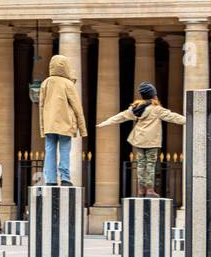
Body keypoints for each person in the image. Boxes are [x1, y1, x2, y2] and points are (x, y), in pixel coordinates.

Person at [95, 82, 185, 197]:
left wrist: (105, 123)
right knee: (150, 165)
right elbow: (173, 117)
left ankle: (140, 190)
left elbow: (121, 116)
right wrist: (189, 120)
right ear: (154, 95)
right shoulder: (156, 109)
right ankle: (150, 190)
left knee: (141, 165)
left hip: (139, 140)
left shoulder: (136, 109)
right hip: (152, 142)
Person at [38, 54, 87, 186]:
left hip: (49, 124)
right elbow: (77, 107)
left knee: (50, 151)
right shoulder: (68, 84)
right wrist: (82, 129)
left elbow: (41, 107)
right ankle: (65, 178)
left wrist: (42, 127)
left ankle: (50, 180)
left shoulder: (45, 83)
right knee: (65, 150)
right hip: (65, 123)